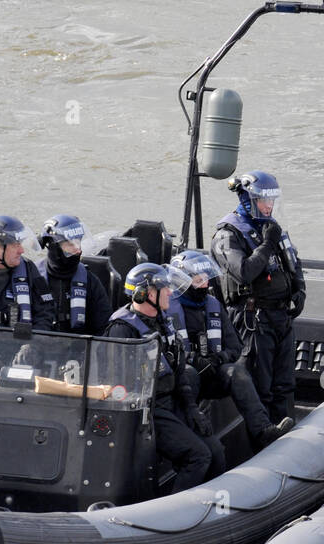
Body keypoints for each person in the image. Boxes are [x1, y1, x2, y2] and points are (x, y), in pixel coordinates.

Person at [102, 262, 225, 493]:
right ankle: (176, 516)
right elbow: (118, 382)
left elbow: (178, 370)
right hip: (147, 409)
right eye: (165, 288)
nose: (170, 292)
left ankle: (210, 510)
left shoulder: (163, 321)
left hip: (172, 402)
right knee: (197, 457)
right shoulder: (122, 329)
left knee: (215, 451)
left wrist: (191, 408)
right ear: (147, 294)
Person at [168, 249, 294, 448]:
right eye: (198, 280)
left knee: (237, 372)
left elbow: (235, 346)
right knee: (189, 373)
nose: (205, 285)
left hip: (212, 371)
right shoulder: (167, 309)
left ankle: (262, 430)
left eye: (206, 279)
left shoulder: (213, 305)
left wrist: (219, 359)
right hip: (183, 377)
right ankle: (187, 434)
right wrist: (192, 360)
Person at [210, 170, 305, 424]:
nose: (269, 206)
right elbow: (244, 272)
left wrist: (299, 288)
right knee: (260, 386)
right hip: (254, 318)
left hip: (281, 316)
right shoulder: (228, 234)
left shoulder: (271, 227)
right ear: (248, 199)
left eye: (272, 200)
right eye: (263, 200)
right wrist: (266, 245)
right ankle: (261, 440)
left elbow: (293, 260)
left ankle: (288, 436)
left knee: (284, 384)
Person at [35, 214, 112, 335]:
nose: (78, 250)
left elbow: (103, 328)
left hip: (78, 350)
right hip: (37, 348)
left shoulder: (90, 281)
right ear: (53, 246)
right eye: (71, 244)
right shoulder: (32, 277)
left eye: (78, 242)